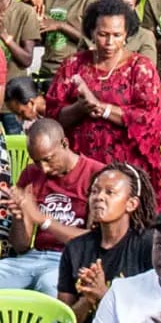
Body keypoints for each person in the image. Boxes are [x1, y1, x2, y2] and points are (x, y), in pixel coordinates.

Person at [46, 0, 161, 210]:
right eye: (103, 35)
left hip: (126, 168)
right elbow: (53, 117)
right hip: (81, 167)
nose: (110, 42)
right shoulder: (74, 65)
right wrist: (81, 108)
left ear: (127, 34)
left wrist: (101, 108)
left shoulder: (140, 68)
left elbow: (150, 119)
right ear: (92, 32)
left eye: (117, 35)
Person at [0, 119, 103, 296]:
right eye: (37, 161)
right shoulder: (32, 174)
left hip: (73, 260)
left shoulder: (96, 175)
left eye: (48, 159)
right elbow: (21, 247)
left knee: (48, 284)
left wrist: (43, 220)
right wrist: (19, 216)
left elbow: (94, 241)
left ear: (65, 144)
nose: (44, 168)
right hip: (33, 257)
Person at [57, 163, 156, 322]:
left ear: (131, 204)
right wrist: (88, 299)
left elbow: (151, 314)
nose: (99, 197)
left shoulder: (149, 245)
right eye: (94, 191)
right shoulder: (76, 248)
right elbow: (63, 319)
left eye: (110, 192)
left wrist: (104, 294)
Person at [39, 0, 99, 86]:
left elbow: (94, 41)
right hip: (48, 67)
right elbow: (43, 32)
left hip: (75, 70)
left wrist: (60, 26)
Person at [0, 0, 41, 133]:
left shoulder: (25, 12)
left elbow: (26, 59)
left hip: (13, 102)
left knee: (15, 152)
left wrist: (5, 36)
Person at [103, 0, 157, 64]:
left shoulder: (144, 37)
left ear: (135, 6)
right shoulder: (93, 34)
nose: (123, 9)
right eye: (117, 3)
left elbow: (147, 72)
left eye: (129, 5)